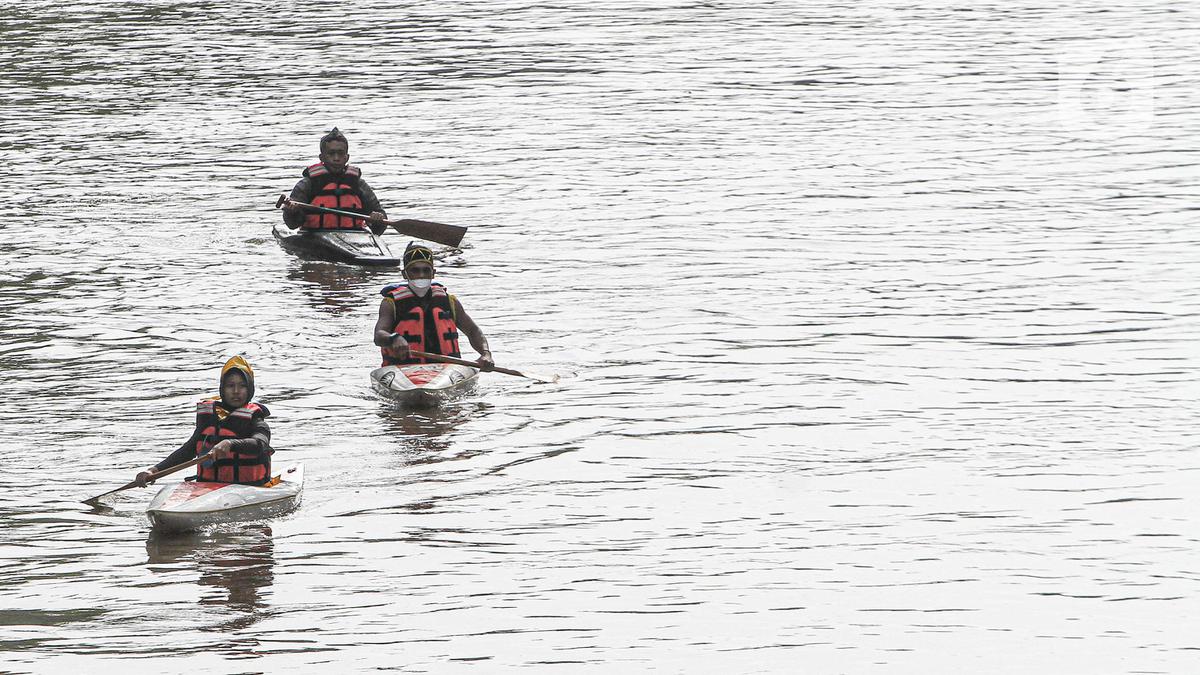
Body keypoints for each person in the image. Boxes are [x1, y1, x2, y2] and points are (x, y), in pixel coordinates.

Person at [134, 356, 273, 487]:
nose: (236, 391)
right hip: (207, 489)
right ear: (222, 389)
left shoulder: (256, 419)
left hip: (249, 488)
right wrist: (154, 470)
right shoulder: (209, 418)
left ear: (250, 389)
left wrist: (230, 444)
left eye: (242, 386)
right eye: (230, 386)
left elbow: (260, 444)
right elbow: (188, 450)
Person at [373, 242, 495, 370]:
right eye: (415, 270)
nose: (421, 275)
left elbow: (473, 330)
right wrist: (393, 338)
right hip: (404, 370)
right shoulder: (390, 303)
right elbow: (379, 335)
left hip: (446, 371)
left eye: (426, 270)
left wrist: (486, 354)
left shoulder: (449, 301)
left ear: (433, 273)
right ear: (404, 274)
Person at [281, 127, 389, 235]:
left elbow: (379, 224)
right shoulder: (307, 184)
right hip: (314, 236)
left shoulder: (358, 184)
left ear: (347, 157)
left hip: (354, 235)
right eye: (331, 153)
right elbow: (292, 224)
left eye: (341, 153)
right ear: (322, 157)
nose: (336, 158)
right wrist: (292, 211)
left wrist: (377, 219)